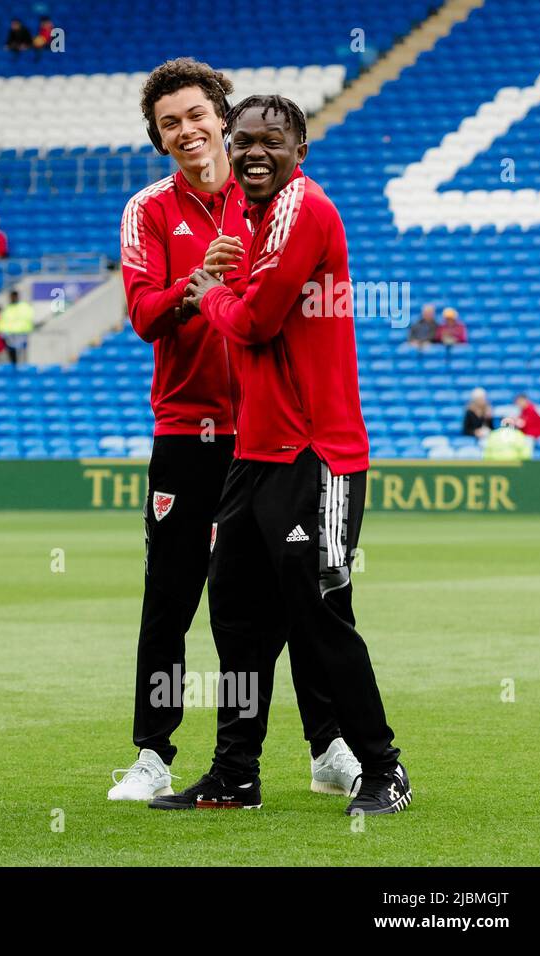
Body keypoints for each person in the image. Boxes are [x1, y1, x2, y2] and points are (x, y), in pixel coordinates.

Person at [110, 60, 352, 804]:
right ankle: (154, 753)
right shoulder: (149, 210)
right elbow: (143, 315)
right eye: (169, 124)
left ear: (224, 115)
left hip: (271, 434)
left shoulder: (273, 202)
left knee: (303, 595)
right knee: (171, 597)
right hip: (189, 429)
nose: (186, 132)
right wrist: (194, 287)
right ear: (159, 139)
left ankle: (328, 745)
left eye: (196, 116)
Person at [165, 95, 410, 815]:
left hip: (316, 454)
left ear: (300, 149)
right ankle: (235, 774)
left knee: (320, 613)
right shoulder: (252, 217)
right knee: (237, 615)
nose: (254, 152)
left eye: (272, 139)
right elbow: (248, 310)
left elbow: (256, 321)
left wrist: (209, 293)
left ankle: (384, 767)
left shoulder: (303, 207)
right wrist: (223, 286)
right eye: (243, 140)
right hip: (257, 452)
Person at [0, 287, 34, 364]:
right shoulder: (7, 308)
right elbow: (3, 321)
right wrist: (3, 333)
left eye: (14, 296)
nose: (13, 298)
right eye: (12, 296)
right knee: (12, 359)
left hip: (21, 336)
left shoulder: (24, 307)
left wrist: (18, 329)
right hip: (10, 337)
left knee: (22, 358)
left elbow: (27, 320)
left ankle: (22, 372)